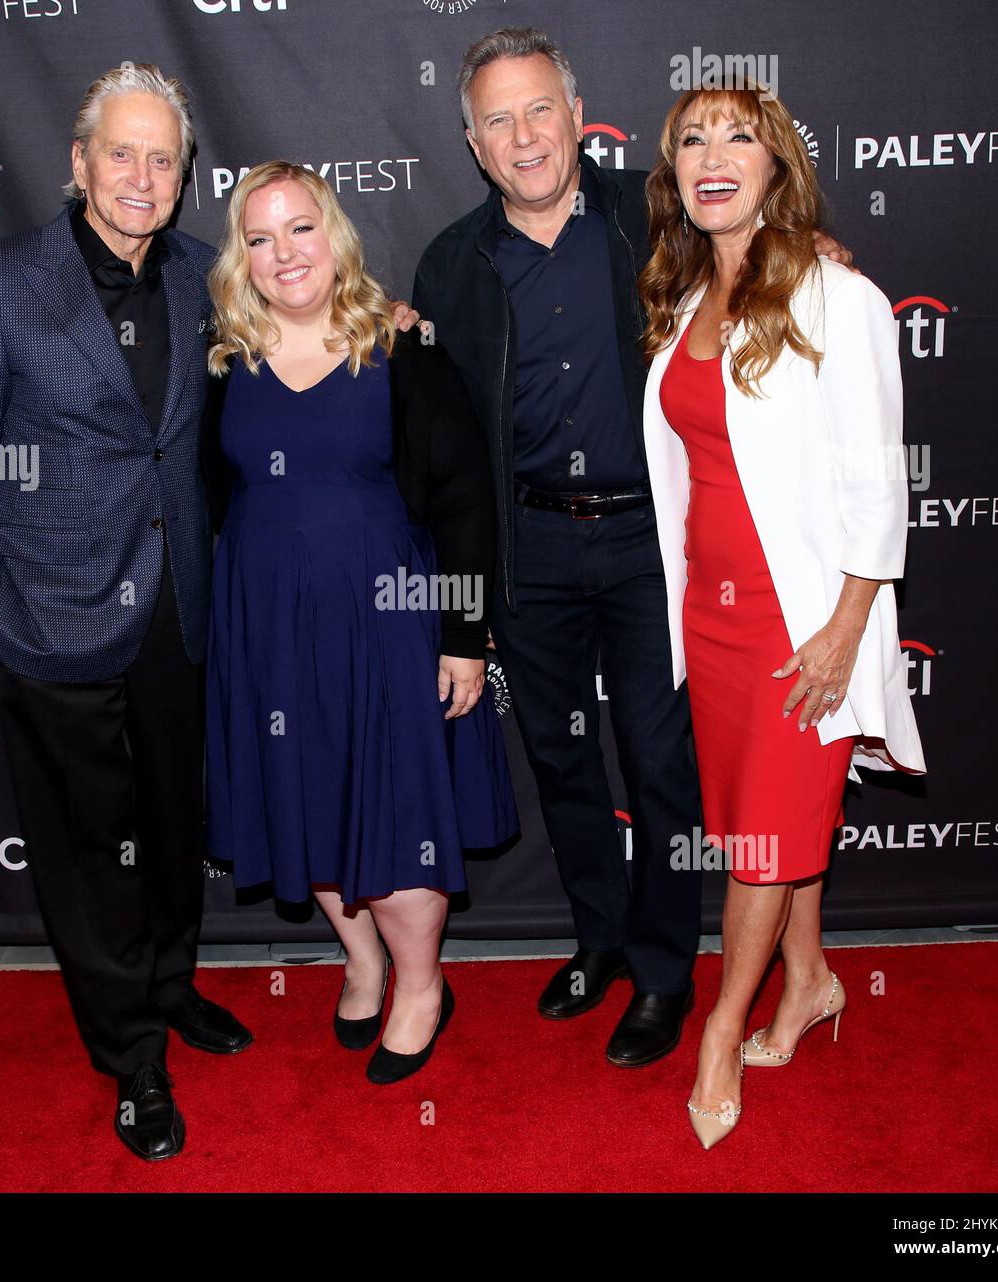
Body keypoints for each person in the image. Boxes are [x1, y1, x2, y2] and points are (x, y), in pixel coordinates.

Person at [411, 27, 853, 1068]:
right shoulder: (448, 264)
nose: (523, 138)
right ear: (473, 144)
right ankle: (598, 939)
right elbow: (439, 445)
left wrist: (813, 258)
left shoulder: (654, 216)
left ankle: (664, 972)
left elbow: (756, 234)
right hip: (527, 547)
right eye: (497, 121)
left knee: (661, 766)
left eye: (538, 111)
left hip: (654, 543)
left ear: (574, 115)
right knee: (560, 757)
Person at [0, 64, 255, 1163]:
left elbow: (309, 320)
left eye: (163, 159)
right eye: (122, 153)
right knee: (87, 850)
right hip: (48, 618)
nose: (142, 177)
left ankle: (167, 988)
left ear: (183, 174)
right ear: (78, 163)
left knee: (170, 827)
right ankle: (132, 1057)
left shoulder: (210, 275)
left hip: (176, 610)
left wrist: (395, 316)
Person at [637, 86, 926, 1148]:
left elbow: (876, 481)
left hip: (801, 618)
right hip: (708, 621)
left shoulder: (834, 295)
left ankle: (721, 1030)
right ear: (671, 172)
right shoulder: (680, 299)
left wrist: (846, 629)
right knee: (763, 825)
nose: (715, 155)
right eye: (692, 141)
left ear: (776, 165)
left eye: (739, 137)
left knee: (759, 839)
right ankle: (806, 978)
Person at [202, 161, 519, 1084]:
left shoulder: (402, 348)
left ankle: (421, 984)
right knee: (306, 794)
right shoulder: (227, 360)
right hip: (266, 626)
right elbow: (215, 494)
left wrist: (463, 635)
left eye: (299, 229)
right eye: (259, 238)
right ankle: (364, 961)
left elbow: (465, 500)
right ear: (241, 258)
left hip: (386, 620)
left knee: (394, 807)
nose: (282, 253)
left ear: (333, 235)